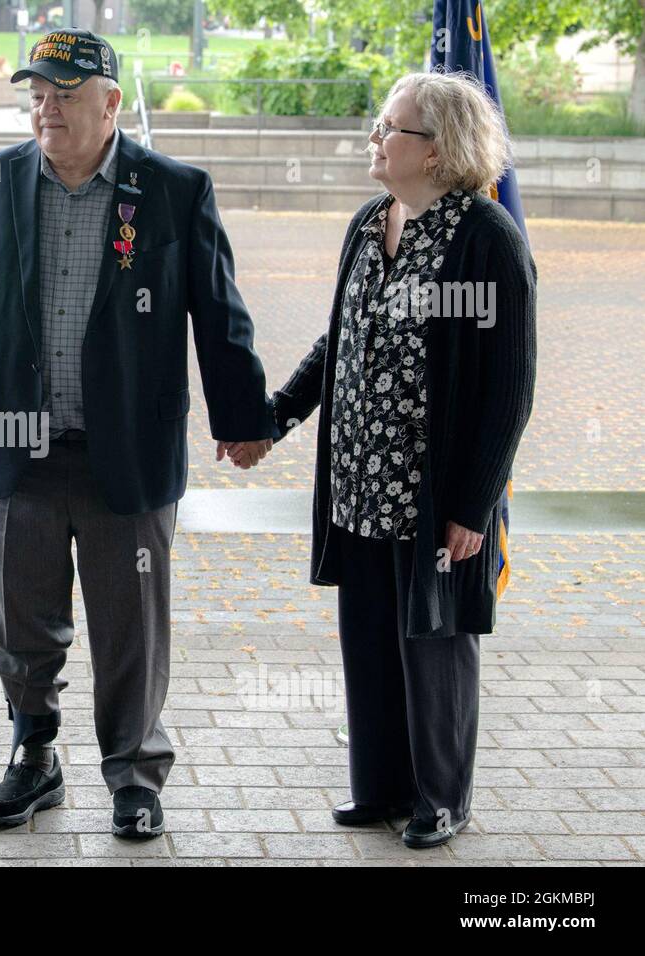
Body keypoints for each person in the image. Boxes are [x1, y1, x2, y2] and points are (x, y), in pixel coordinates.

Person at [0, 29, 276, 838]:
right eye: (37, 93)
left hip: (130, 450)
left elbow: (219, 316)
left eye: (65, 93)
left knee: (131, 626)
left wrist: (242, 417)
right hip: (19, 448)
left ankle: (134, 776)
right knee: (21, 623)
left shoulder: (173, 191)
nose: (45, 108)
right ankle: (33, 756)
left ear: (111, 101)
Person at [269, 70, 537, 848]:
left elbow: (508, 389)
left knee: (435, 649)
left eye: (392, 128)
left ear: (439, 148)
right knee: (370, 642)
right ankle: (381, 788)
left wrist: (473, 507)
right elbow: (339, 341)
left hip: (434, 497)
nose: (376, 140)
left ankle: (440, 799)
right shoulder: (366, 223)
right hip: (357, 484)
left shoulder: (485, 239)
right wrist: (277, 414)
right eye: (380, 126)